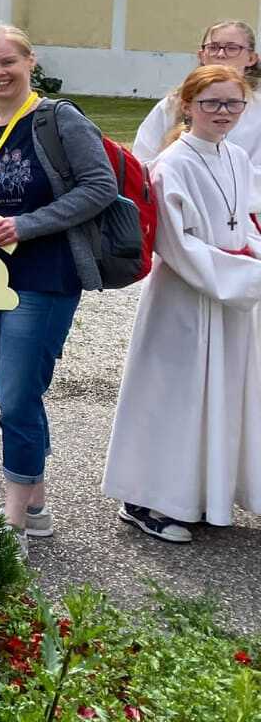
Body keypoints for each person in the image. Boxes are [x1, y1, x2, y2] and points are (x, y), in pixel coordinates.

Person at [0, 24, 117, 547]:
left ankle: (12, 519)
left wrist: (29, 224)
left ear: (30, 62)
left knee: (15, 397)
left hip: (45, 276)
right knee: (11, 391)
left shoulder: (59, 119)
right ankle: (35, 504)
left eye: (7, 61)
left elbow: (100, 186)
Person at [103, 64, 261, 543]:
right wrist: (246, 275)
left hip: (230, 300)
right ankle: (146, 499)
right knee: (173, 398)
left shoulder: (236, 156)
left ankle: (205, 494)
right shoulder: (171, 164)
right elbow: (175, 244)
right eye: (211, 102)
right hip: (185, 299)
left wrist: (253, 258)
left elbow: (246, 222)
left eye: (233, 103)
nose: (223, 112)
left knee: (222, 396)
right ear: (188, 106)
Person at [131, 21, 261, 192]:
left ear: (251, 58)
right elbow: (142, 160)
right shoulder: (173, 104)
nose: (221, 54)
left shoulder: (256, 110)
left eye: (232, 48)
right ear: (202, 55)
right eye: (213, 47)